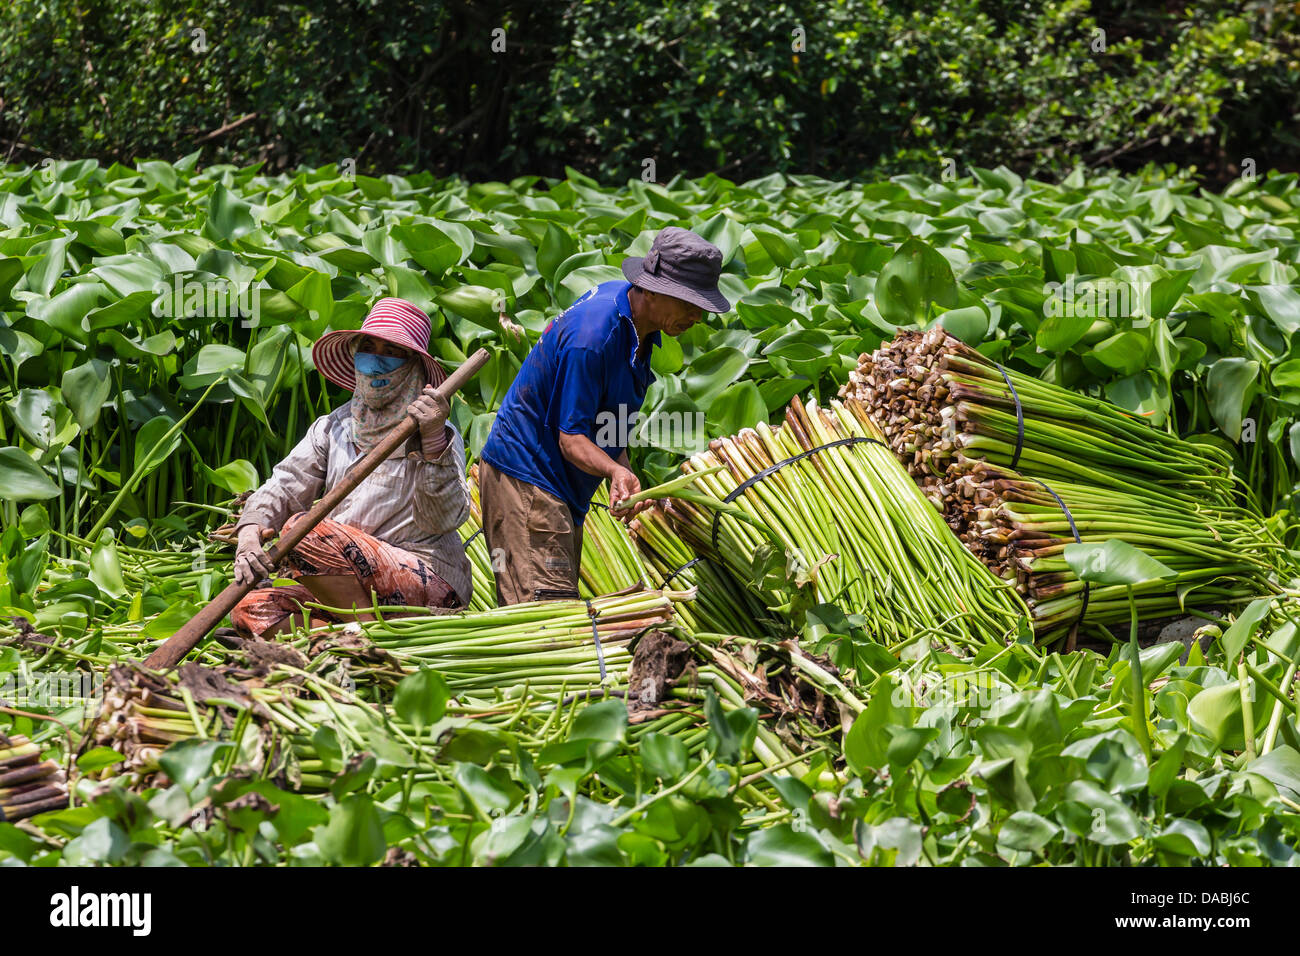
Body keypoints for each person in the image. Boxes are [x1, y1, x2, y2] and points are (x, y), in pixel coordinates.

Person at [479, 226, 731, 605]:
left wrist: (624, 474)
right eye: (689, 303)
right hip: (528, 482)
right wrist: (614, 471)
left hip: (556, 487)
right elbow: (571, 439)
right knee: (544, 618)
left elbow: (607, 422)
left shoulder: (636, 322)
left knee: (557, 608)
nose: (697, 316)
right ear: (654, 290)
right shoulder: (593, 339)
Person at [228, 297, 472, 637]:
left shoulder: (435, 433)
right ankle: (346, 637)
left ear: (411, 364)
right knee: (250, 610)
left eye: (391, 350)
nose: (375, 359)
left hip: (424, 581)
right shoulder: (334, 426)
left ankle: (374, 637)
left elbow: (443, 519)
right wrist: (250, 534)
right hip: (341, 580)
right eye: (368, 346)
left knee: (306, 530)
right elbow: (285, 485)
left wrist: (431, 439)